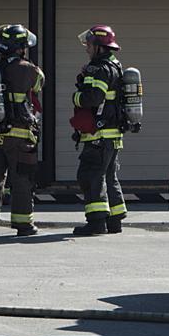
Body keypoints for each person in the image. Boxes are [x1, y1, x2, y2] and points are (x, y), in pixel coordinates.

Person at [0, 24, 45, 237]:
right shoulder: (28, 69)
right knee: (21, 179)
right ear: (20, 47)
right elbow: (39, 84)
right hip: (19, 135)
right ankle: (23, 225)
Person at [71, 24, 127, 236]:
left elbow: (93, 98)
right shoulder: (115, 66)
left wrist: (76, 96)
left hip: (99, 135)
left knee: (90, 175)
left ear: (99, 47)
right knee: (109, 176)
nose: (87, 48)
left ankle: (96, 222)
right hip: (112, 135)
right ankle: (115, 220)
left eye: (89, 45)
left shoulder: (99, 69)